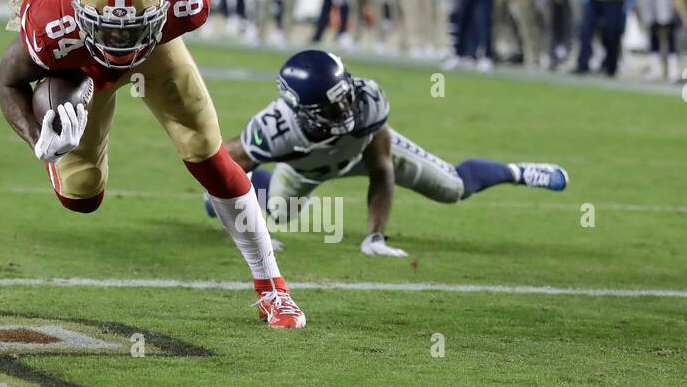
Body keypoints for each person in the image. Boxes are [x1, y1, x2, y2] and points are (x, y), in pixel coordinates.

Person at [0, 0, 307, 327]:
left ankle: (273, 289)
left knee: (208, 155)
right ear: (79, 8)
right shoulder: (51, 22)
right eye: (108, 27)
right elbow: (6, 81)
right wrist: (39, 141)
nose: (121, 42)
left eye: (132, 27)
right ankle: (62, 147)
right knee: (82, 196)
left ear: (160, 2)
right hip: (83, 71)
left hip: (156, 51)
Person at [205, 50, 568, 257]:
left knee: (453, 188)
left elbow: (381, 170)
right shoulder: (273, 129)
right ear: (302, 109)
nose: (346, 109)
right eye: (334, 107)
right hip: (307, 170)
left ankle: (518, 172)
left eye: (345, 96)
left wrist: (374, 236)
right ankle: (253, 184)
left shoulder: (368, 103)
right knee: (276, 214)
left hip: (364, 151)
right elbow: (220, 167)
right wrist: (241, 228)